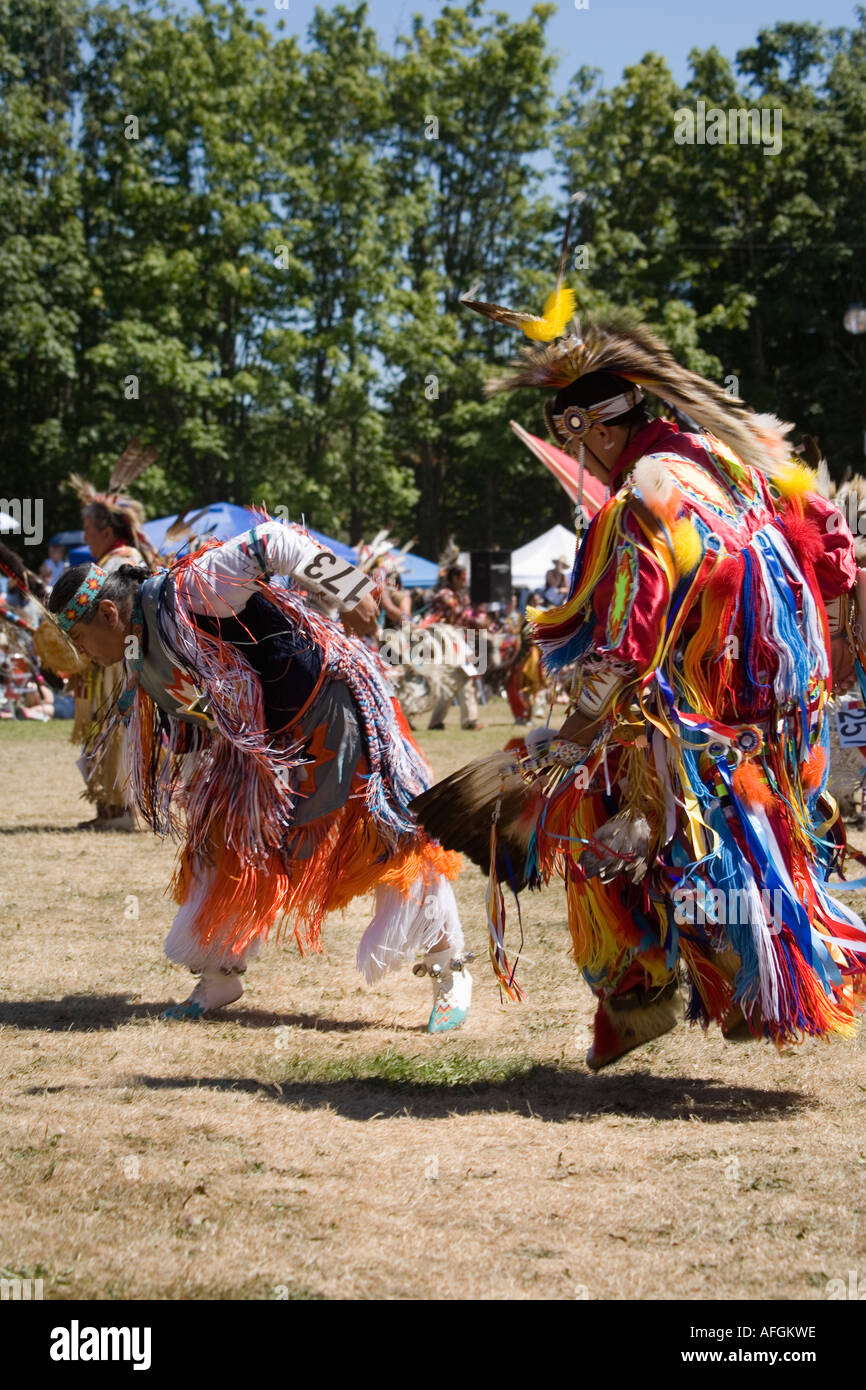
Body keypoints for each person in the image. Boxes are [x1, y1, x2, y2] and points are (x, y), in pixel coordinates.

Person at [414, 285, 866, 1068]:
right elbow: (828, 558)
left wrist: (571, 741)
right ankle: (672, 994)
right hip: (766, 727)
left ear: (585, 426)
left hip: (688, 737)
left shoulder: (642, 502)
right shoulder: (729, 465)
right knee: (729, 874)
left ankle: (644, 994)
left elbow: (626, 649)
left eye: (572, 434)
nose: (572, 452)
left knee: (604, 836)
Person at [47, 521, 472, 1031]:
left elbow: (275, 540)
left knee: (390, 835)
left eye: (80, 638)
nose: (82, 653)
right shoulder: (139, 642)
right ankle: (219, 975)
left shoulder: (195, 588)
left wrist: (352, 587)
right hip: (260, 748)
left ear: (109, 613)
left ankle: (451, 972)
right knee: (219, 840)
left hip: (330, 708)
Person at [68, 445, 160, 830]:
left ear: (106, 531)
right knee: (105, 733)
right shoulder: (113, 561)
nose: (86, 540)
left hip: (120, 669)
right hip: (110, 668)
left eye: (89, 532)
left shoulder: (120, 562)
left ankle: (121, 811)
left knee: (118, 733)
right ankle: (111, 810)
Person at [421, 564, 484, 731]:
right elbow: (458, 613)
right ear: (455, 578)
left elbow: (465, 618)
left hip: (460, 639)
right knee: (452, 679)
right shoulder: (444, 595)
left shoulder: (460, 596)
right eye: (463, 577)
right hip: (446, 639)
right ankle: (440, 721)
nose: (465, 581)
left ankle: (468, 720)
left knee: (463, 678)